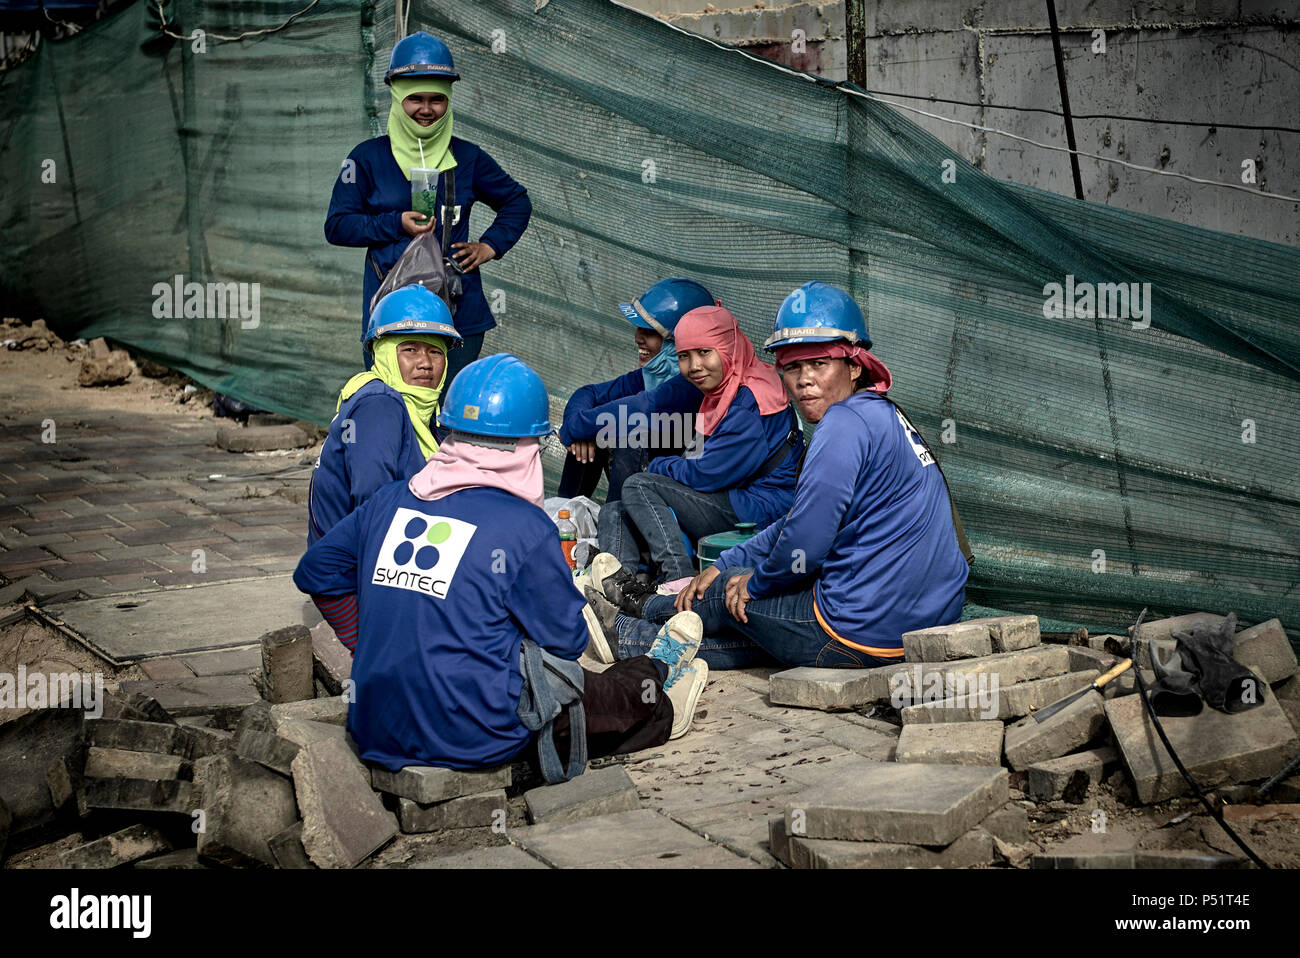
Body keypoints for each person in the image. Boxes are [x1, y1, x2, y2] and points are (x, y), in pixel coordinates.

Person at [293, 353, 711, 776]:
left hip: (375, 729)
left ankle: (655, 667)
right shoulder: (524, 528)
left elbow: (316, 572)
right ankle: (660, 689)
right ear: (526, 447)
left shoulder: (389, 500)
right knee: (599, 697)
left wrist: (367, 640)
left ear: (450, 431)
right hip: (473, 737)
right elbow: (564, 644)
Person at [582, 281, 971, 670]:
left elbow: (806, 541)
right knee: (748, 612)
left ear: (854, 365)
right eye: (792, 366)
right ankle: (638, 629)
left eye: (818, 364)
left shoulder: (842, 424)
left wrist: (751, 581)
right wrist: (731, 559)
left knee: (729, 593)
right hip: (925, 623)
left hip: (859, 629)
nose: (804, 380)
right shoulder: (883, 412)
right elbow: (799, 521)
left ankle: (639, 614)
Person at [325, 30, 531, 387]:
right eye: (414, 98)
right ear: (396, 96)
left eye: (437, 99)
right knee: (397, 410)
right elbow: (337, 226)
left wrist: (489, 246)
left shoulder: (468, 158)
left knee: (446, 418)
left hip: (456, 318)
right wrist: (394, 224)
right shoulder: (365, 158)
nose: (426, 109)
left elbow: (517, 201)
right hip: (391, 317)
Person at [597, 304, 803, 600]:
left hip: (759, 511)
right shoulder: (724, 391)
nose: (694, 366)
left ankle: (679, 577)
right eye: (684, 356)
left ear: (728, 348)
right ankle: (620, 592)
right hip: (733, 497)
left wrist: (660, 466)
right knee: (616, 508)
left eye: (704, 352)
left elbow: (708, 473)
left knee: (639, 485)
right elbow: (698, 458)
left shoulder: (750, 401)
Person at [308, 284, 461, 547]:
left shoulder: (419, 412)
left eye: (435, 351)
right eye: (410, 350)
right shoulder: (379, 404)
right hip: (357, 571)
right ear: (385, 354)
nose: (425, 363)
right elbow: (374, 502)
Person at [558, 277, 714, 502]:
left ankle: (616, 531)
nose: (637, 337)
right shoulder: (652, 374)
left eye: (649, 332)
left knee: (628, 432)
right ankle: (562, 521)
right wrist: (578, 429)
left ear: (679, 342)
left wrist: (575, 428)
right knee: (594, 428)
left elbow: (639, 409)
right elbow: (588, 393)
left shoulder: (692, 384)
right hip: (653, 483)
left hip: (685, 495)